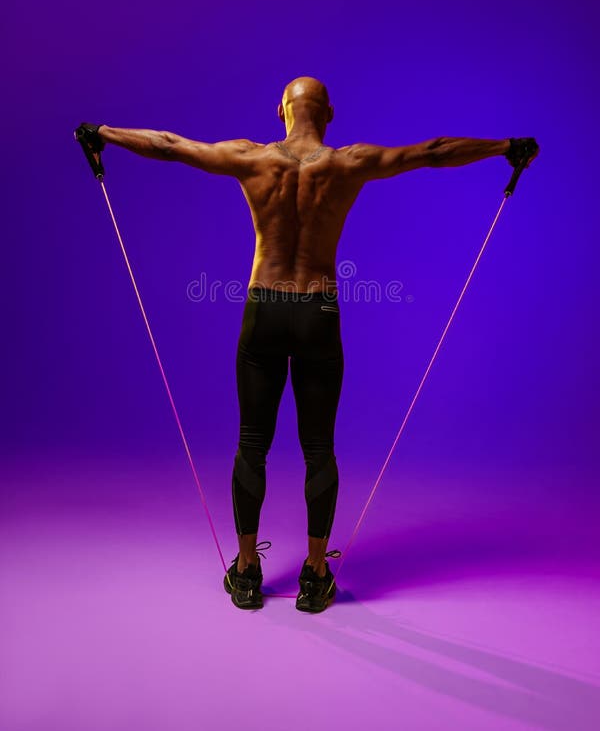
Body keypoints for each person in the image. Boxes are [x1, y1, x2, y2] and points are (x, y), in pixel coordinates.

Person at [75, 76, 539, 613]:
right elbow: (431, 153)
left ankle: (247, 569)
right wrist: (506, 148)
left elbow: (172, 146)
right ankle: (316, 574)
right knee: (319, 447)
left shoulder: (250, 158)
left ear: (280, 112)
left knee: (253, 441)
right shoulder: (348, 163)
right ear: (331, 114)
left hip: (264, 309)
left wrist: (104, 133)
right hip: (317, 311)